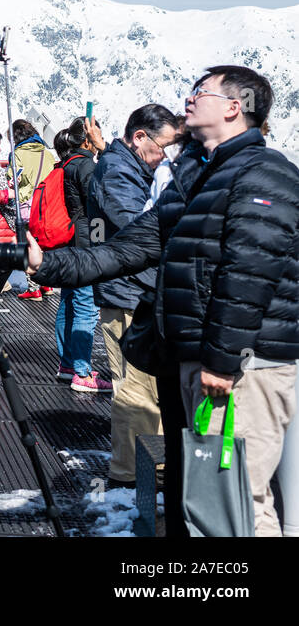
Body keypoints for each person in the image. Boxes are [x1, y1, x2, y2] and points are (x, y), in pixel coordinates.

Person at [28, 66, 299, 536]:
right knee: (204, 500)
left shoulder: (264, 174)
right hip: (196, 360)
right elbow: (129, 247)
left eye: (201, 92)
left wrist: (222, 359)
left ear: (235, 107)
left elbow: (250, 274)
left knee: (239, 501)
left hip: (243, 368)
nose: (188, 100)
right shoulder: (195, 179)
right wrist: (48, 265)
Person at [86, 103, 178, 485]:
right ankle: (128, 476)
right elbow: (138, 230)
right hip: (127, 293)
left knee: (149, 390)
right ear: (139, 136)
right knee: (135, 390)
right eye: (163, 147)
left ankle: (149, 466)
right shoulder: (116, 172)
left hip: (140, 291)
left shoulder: (129, 166)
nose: (165, 157)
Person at [51, 115, 111, 393]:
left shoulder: (65, 163)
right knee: (86, 306)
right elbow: (100, 201)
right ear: (87, 138)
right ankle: (82, 372)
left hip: (68, 241)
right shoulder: (87, 165)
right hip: (87, 242)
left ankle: (67, 364)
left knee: (69, 301)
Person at [10, 119, 57, 301]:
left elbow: (13, 179)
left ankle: (34, 287)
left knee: (28, 244)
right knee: (42, 243)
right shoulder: (48, 154)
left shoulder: (18, 154)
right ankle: (46, 282)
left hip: (25, 204)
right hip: (45, 204)